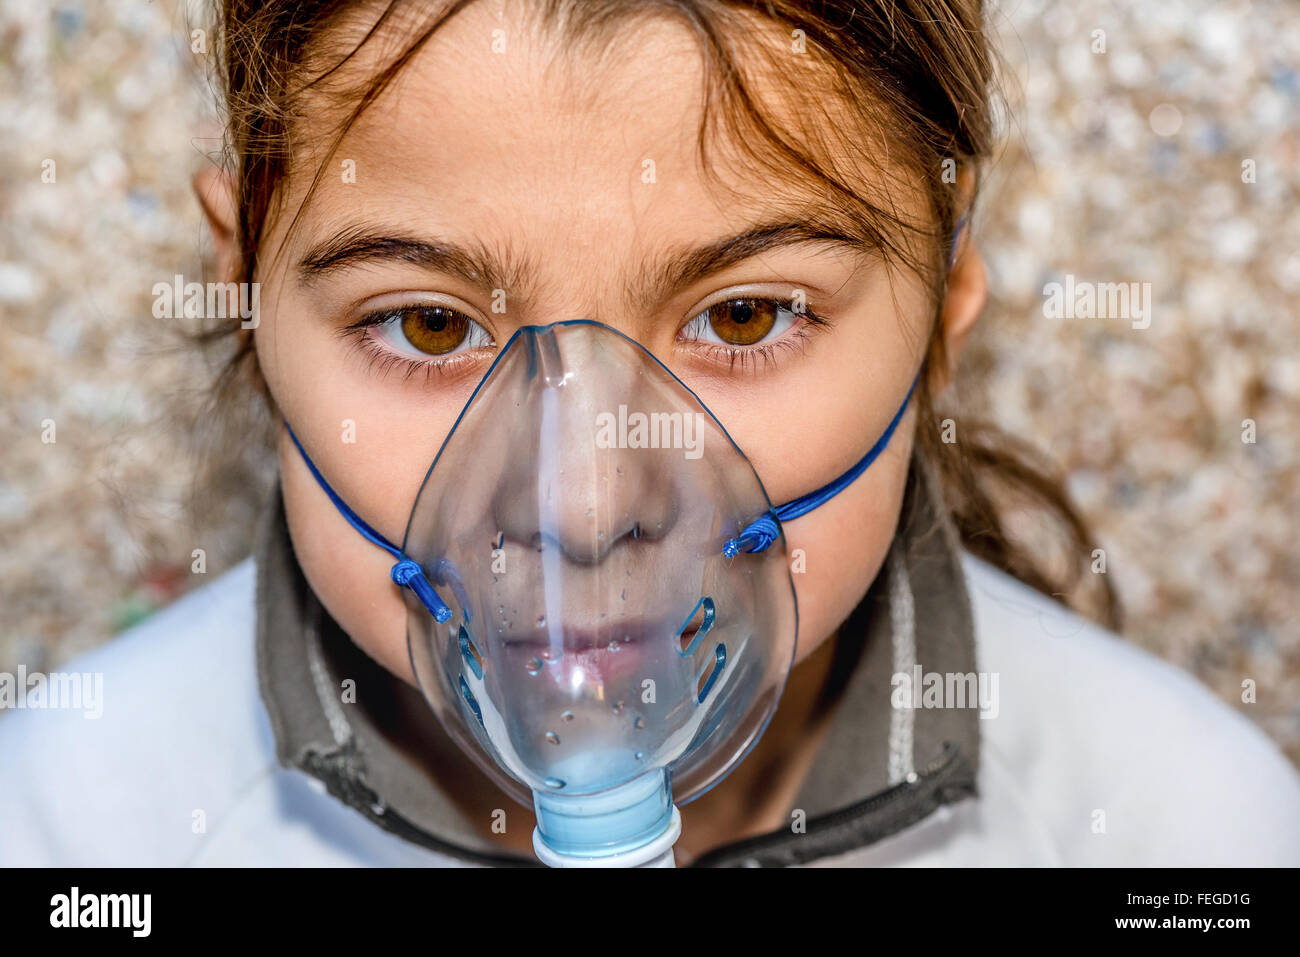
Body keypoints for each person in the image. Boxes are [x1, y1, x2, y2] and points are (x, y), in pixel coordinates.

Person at [2, 0, 1297, 867]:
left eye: (743, 312)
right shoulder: (75, 828)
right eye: (430, 327)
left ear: (943, 320)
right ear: (243, 290)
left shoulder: (1176, 834)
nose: (580, 502)